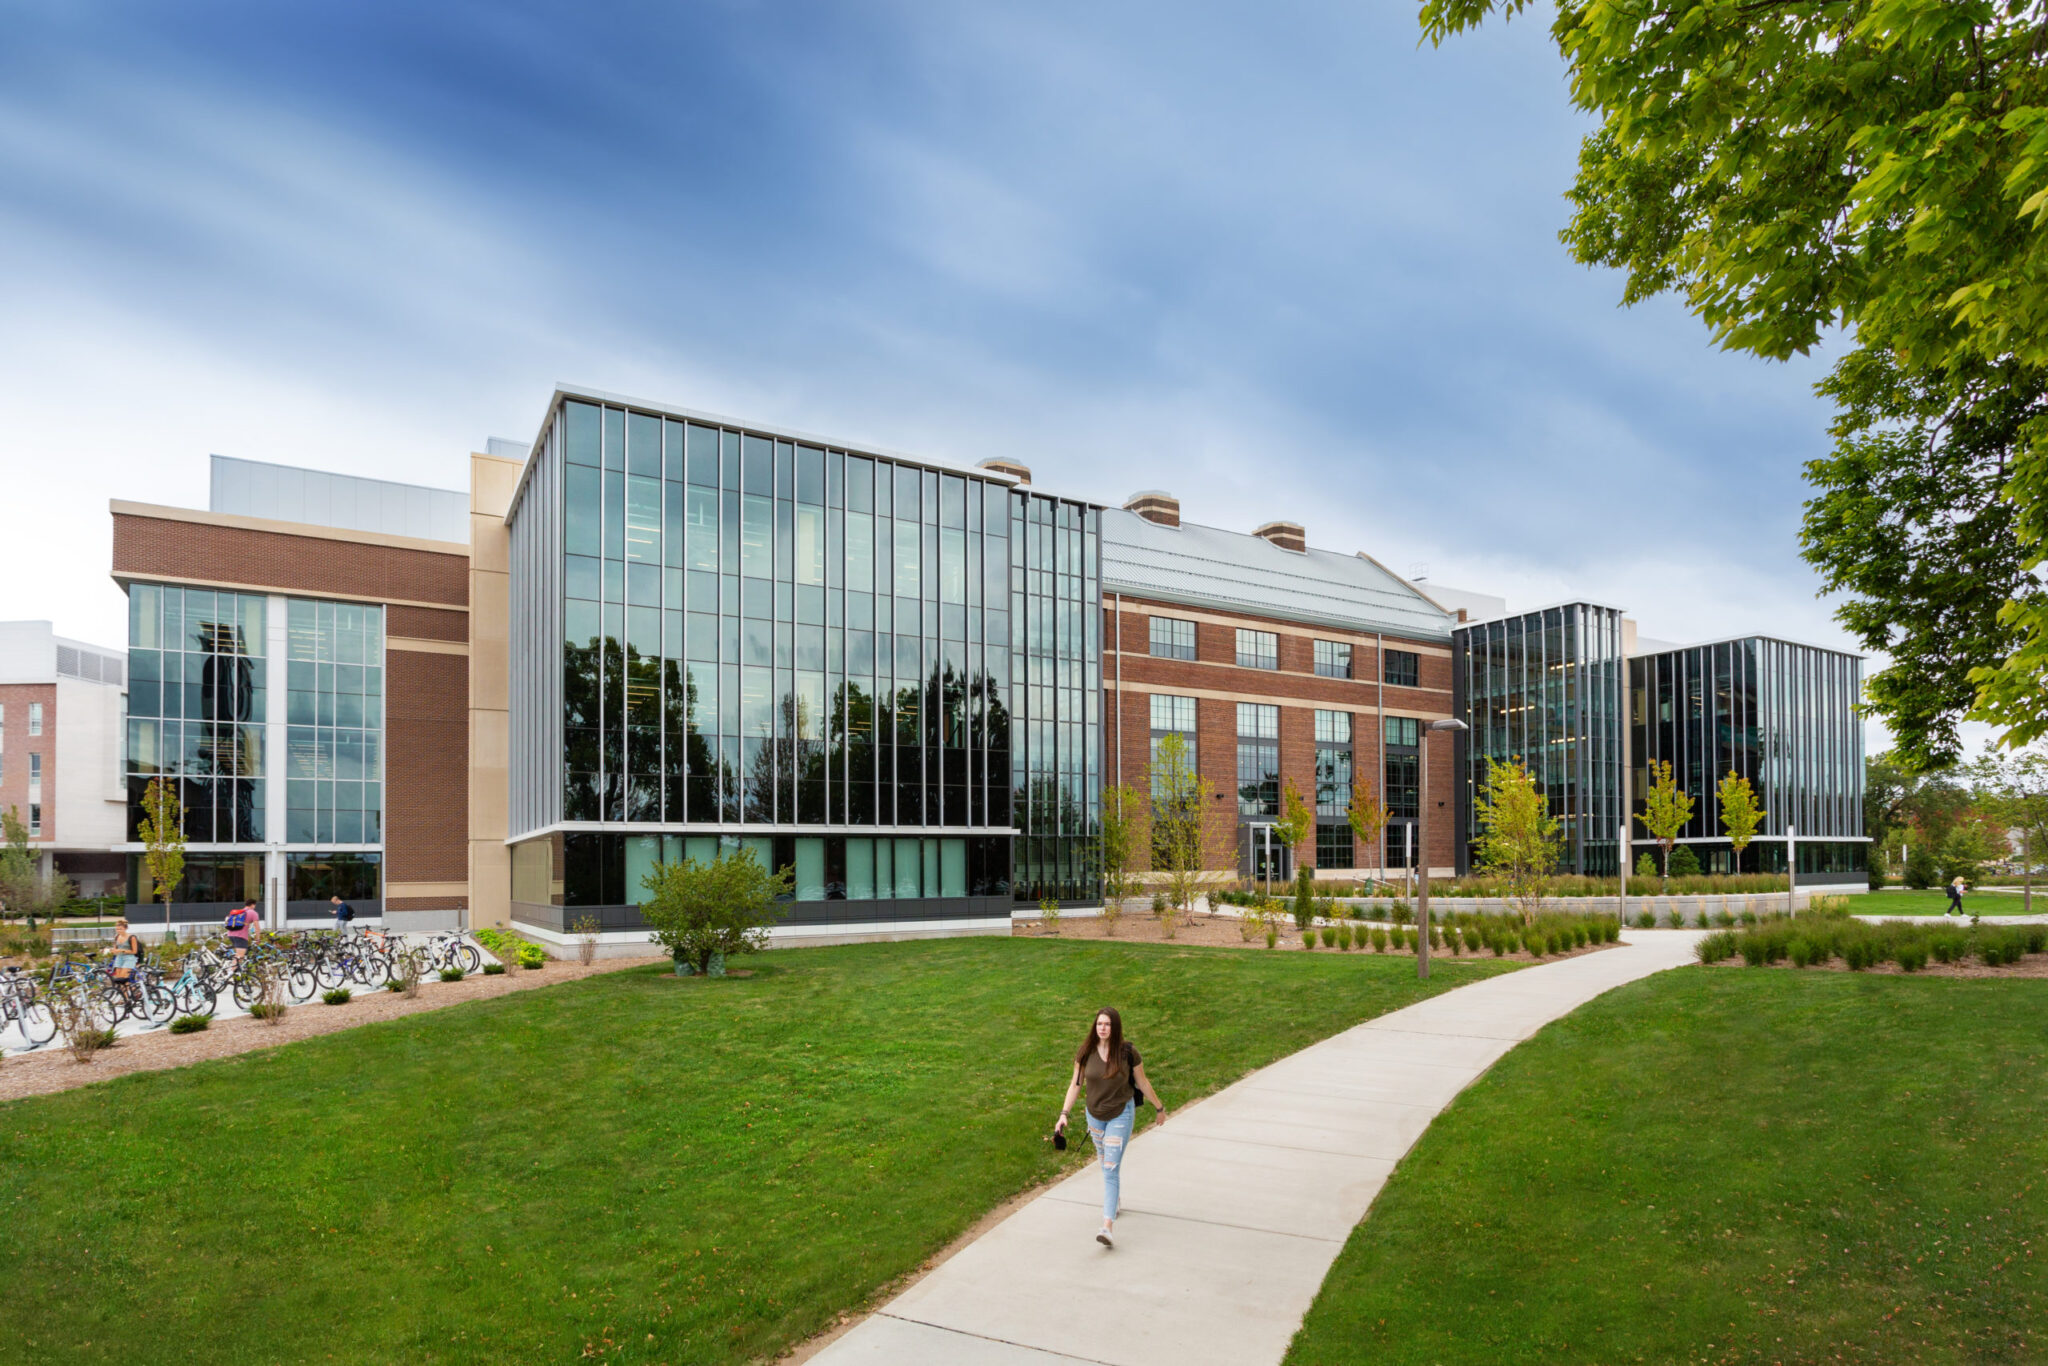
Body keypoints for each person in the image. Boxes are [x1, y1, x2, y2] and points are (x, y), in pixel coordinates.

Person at [1053, 1006, 1167, 1248]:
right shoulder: (1085, 1053)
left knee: (1110, 1167)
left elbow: (1142, 1082)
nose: (1102, 1028)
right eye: (1099, 1024)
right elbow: (1075, 1085)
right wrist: (1063, 1114)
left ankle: (1107, 1226)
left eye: (1107, 1024)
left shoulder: (1127, 1053)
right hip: (1094, 1116)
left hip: (1121, 1114)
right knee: (1104, 1161)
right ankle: (1114, 1202)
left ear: (1115, 1027)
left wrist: (1159, 1107)